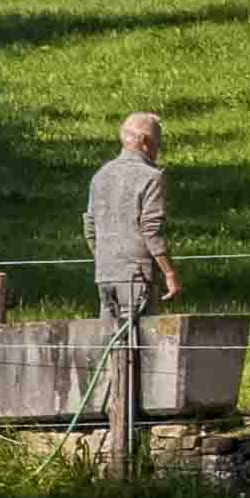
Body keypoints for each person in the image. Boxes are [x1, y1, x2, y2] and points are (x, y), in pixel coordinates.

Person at [84, 110, 171, 462]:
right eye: (159, 142)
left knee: (111, 349)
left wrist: (103, 256)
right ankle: (136, 438)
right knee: (139, 352)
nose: (160, 149)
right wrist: (169, 271)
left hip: (105, 273)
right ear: (146, 142)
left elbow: (90, 227)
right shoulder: (152, 176)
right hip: (138, 274)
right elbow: (151, 229)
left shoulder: (100, 176)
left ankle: (111, 426)